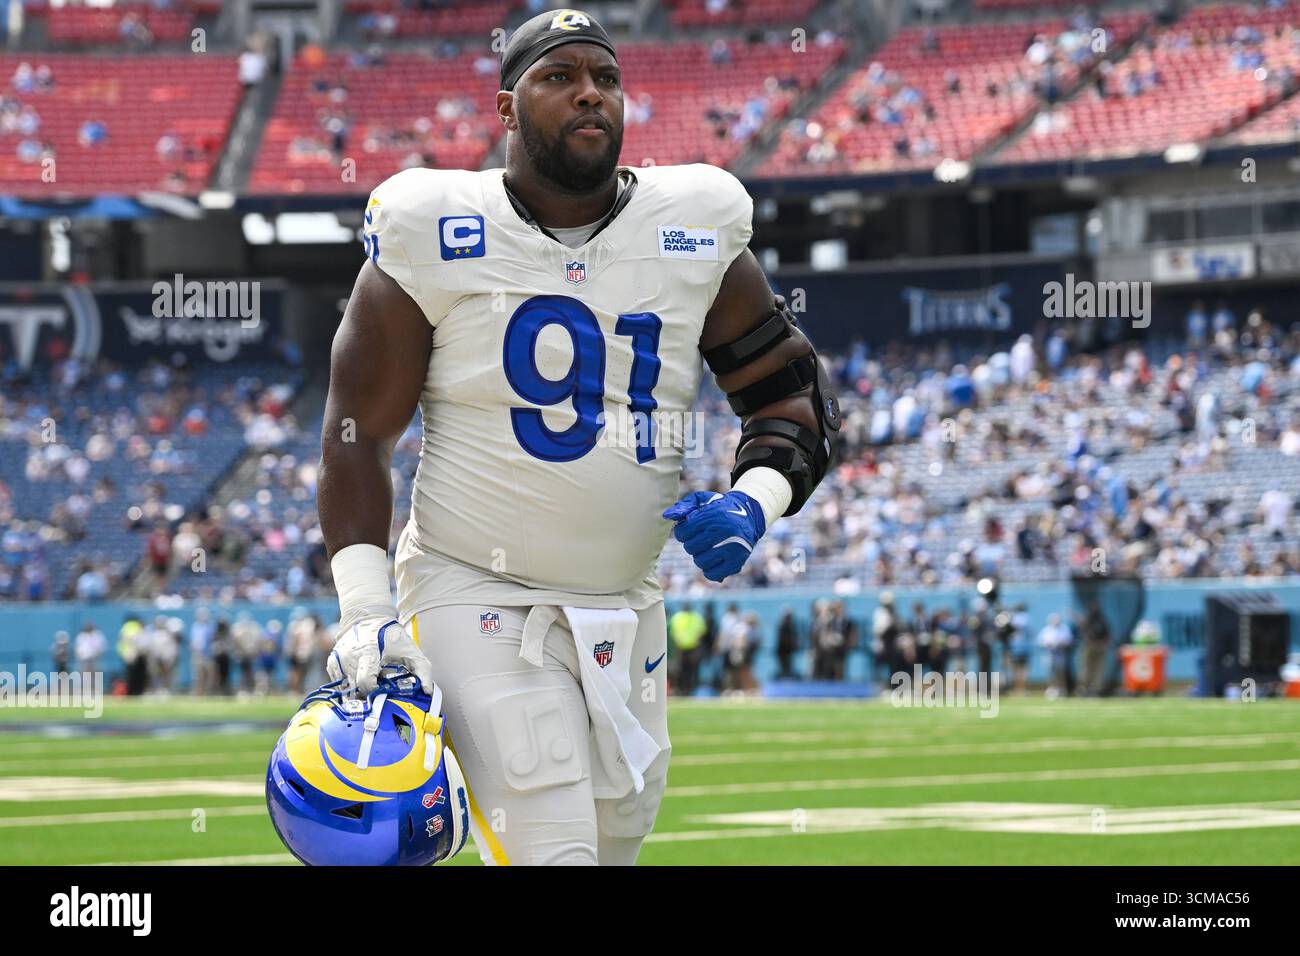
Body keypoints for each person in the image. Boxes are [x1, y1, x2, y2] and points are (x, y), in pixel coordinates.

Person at [318, 8, 839, 866]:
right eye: (558, 78)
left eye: (604, 77)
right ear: (507, 108)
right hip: (475, 590)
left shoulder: (695, 224)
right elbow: (353, 436)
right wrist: (365, 613)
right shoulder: (434, 227)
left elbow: (792, 398)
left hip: (625, 606)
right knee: (554, 852)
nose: (589, 94)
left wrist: (756, 499)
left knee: (610, 847)